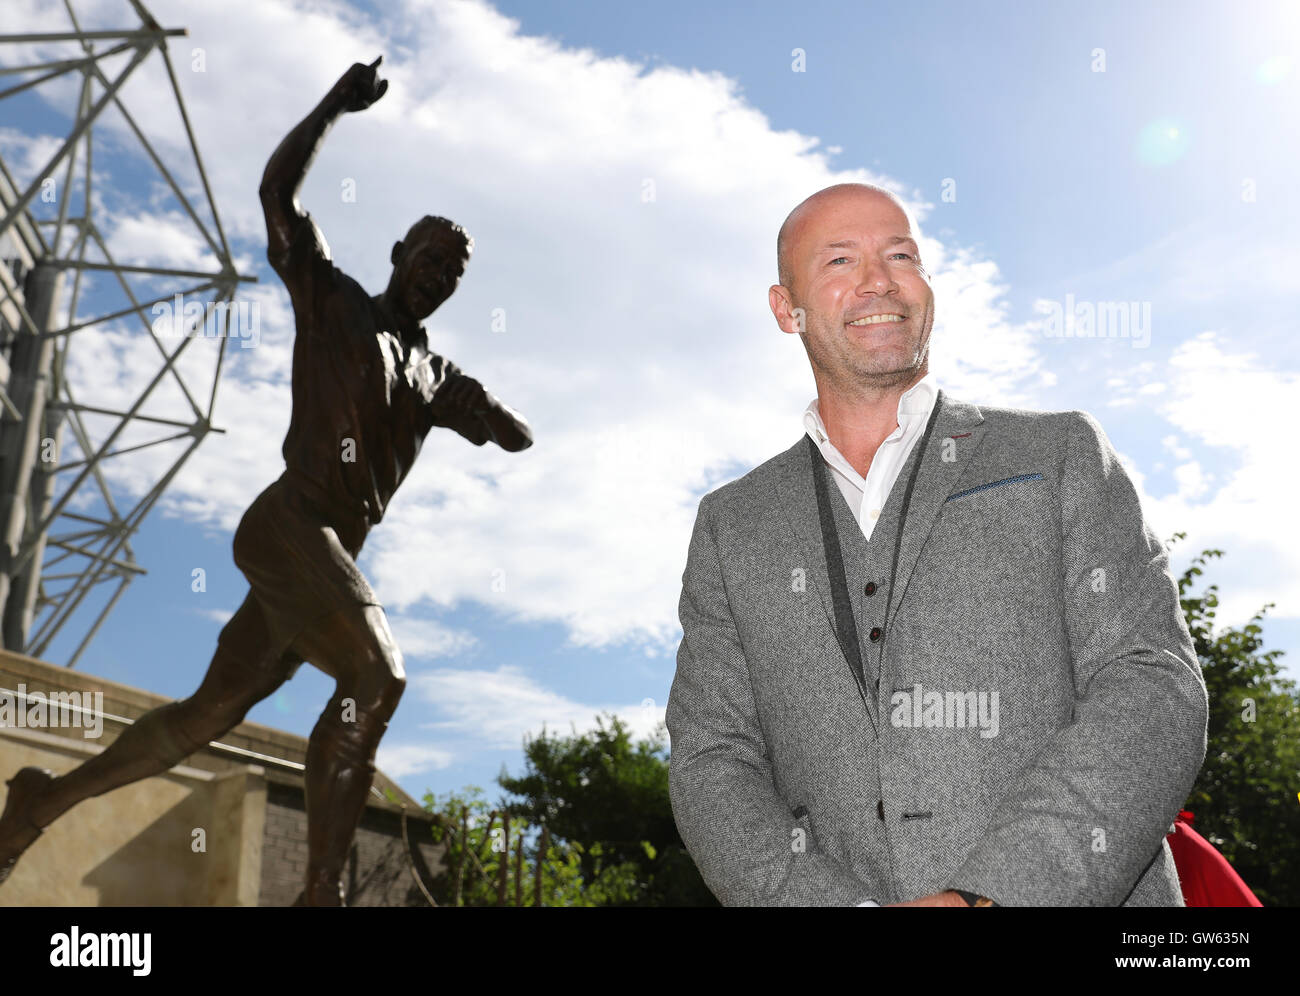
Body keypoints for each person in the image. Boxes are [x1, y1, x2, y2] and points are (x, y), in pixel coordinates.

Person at [0, 57, 533, 906]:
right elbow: (276, 195)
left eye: (453, 273)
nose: (439, 275)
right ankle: (320, 890)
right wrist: (335, 104)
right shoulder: (334, 298)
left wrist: (487, 409)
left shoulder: (434, 374)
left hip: (326, 559)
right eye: (432, 256)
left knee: (204, 717)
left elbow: (518, 438)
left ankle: (39, 804)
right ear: (400, 254)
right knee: (378, 676)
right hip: (291, 522)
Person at [665, 182, 1208, 906]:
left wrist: (994, 896)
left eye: (901, 255)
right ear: (784, 309)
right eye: (839, 261)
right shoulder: (732, 525)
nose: (880, 280)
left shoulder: (1060, 453)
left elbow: (1152, 684)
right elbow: (712, 760)